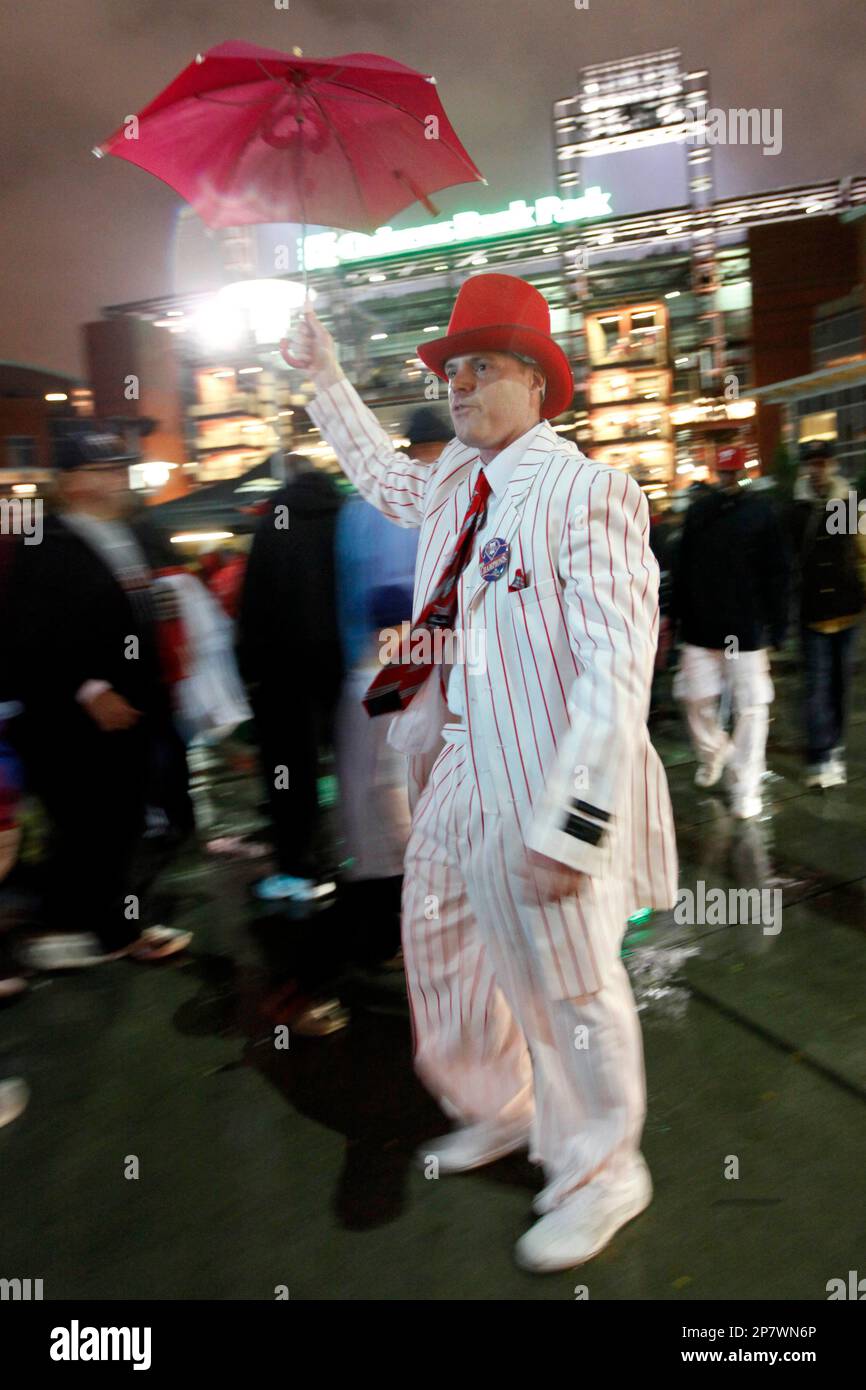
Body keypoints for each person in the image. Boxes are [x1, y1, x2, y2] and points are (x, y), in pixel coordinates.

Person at [280, 273, 677, 1272]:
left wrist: (577, 819)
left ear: (537, 382)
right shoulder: (455, 476)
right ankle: (497, 1104)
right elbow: (378, 471)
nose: (458, 385)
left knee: (571, 985)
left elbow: (616, 669)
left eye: (481, 366)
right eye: (451, 367)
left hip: (546, 774)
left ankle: (602, 1171)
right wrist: (322, 373)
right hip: (457, 759)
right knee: (439, 946)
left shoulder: (587, 493)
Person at [6, 429, 193, 969]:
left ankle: (116, 926)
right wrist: (89, 689)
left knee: (125, 822)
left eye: (118, 469)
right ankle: (72, 930)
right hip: (72, 723)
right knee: (89, 826)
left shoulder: (125, 533)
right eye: (104, 470)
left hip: (135, 711)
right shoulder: (46, 541)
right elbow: (30, 634)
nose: (117, 479)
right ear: (71, 482)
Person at [334, 407, 450, 967]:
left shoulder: (360, 504)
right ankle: (398, 939)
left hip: (372, 668)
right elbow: (393, 609)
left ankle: (387, 933)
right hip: (394, 666)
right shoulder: (416, 503)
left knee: (374, 798)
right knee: (391, 791)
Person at [238, 454, 344, 903]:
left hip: (283, 673)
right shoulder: (347, 518)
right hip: (343, 664)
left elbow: (253, 604)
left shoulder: (271, 525)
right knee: (358, 768)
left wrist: (250, 673)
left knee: (289, 773)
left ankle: (298, 867)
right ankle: (366, 859)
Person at [670, 445, 790, 819]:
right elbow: (683, 569)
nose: (727, 479)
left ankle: (746, 786)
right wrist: (679, 619)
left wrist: (777, 624)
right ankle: (716, 753)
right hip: (703, 629)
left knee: (752, 707)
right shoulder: (700, 511)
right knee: (695, 699)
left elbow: (778, 572)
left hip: (745, 629)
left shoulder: (761, 513)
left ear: (742, 473)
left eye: (732, 473)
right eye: (723, 473)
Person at [790, 440, 865, 787]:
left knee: (839, 685)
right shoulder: (797, 509)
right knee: (816, 685)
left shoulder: (848, 504)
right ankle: (820, 757)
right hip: (812, 612)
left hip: (847, 610)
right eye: (811, 463)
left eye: (822, 463)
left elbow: (863, 552)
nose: (817, 469)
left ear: (832, 465)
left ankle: (834, 748)